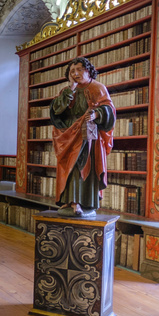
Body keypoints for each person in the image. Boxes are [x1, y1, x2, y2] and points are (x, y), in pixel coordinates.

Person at [49, 56, 115, 217]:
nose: (76, 73)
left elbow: (109, 110)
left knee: (82, 167)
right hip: (69, 135)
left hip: (88, 136)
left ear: (88, 71)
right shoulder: (66, 90)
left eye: (79, 69)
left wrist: (96, 114)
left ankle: (82, 203)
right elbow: (56, 111)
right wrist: (70, 91)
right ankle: (68, 200)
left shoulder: (98, 88)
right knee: (68, 169)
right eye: (72, 71)